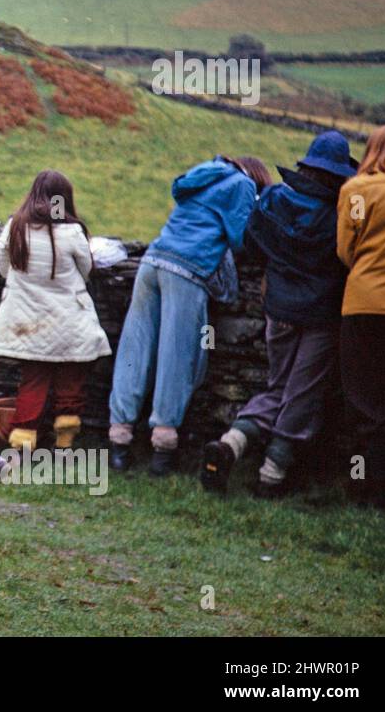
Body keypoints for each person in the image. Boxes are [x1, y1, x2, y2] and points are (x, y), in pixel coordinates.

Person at [201, 132, 356, 497]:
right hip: (319, 314)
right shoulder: (338, 213)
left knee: (277, 385)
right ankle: (271, 475)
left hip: (277, 309)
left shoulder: (273, 200)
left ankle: (230, 444)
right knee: (302, 392)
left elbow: (252, 245)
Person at [108, 156, 272, 476]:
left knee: (134, 349)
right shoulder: (243, 185)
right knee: (177, 358)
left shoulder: (203, 174)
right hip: (188, 269)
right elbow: (240, 238)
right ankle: (162, 451)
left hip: (152, 262)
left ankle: (119, 443)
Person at [0, 170, 111, 453]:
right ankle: (65, 443)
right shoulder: (72, 232)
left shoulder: (15, 227)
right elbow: (87, 270)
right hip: (69, 320)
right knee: (70, 379)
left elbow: (5, 269)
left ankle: (22, 442)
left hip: (28, 321)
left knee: (33, 380)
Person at [335, 124, 385, 516]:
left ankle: (376, 496)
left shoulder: (356, 189)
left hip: (364, 304)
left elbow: (346, 250)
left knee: (369, 403)